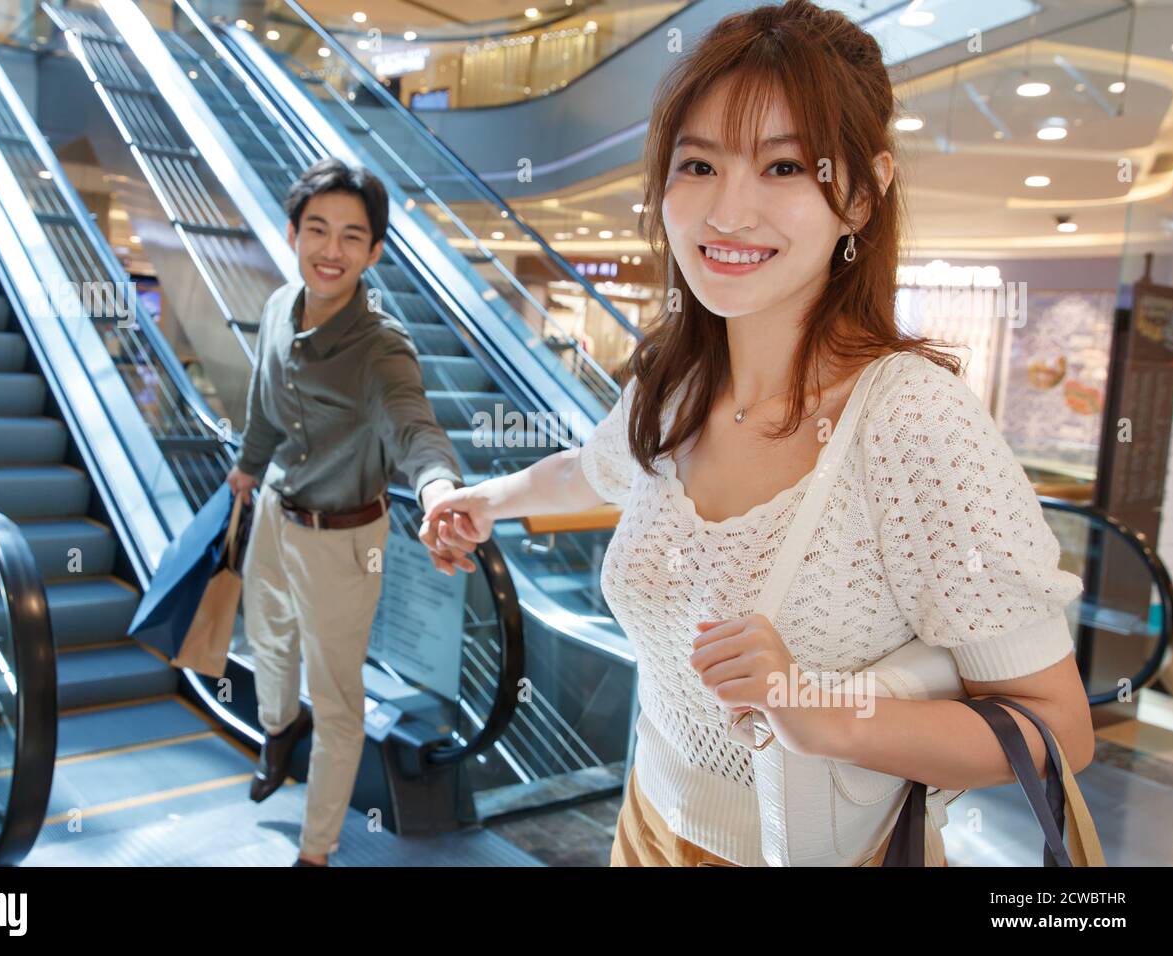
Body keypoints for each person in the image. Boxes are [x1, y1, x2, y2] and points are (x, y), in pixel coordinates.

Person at [419, 0, 1093, 866]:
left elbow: (1057, 730)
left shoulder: (912, 424)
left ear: (860, 192)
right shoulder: (684, 378)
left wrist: (815, 711)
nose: (727, 212)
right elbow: (593, 469)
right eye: (698, 164)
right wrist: (489, 500)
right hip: (646, 820)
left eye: (783, 168)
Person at [226, 157, 470, 867]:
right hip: (274, 510)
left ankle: (316, 849)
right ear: (293, 233)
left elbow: (414, 427)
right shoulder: (279, 306)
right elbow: (262, 402)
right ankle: (278, 726)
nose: (331, 251)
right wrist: (247, 465)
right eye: (318, 231)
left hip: (346, 540)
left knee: (337, 700)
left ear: (376, 251)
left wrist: (437, 490)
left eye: (352, 237)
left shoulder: (380, 346)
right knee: (267, 640)